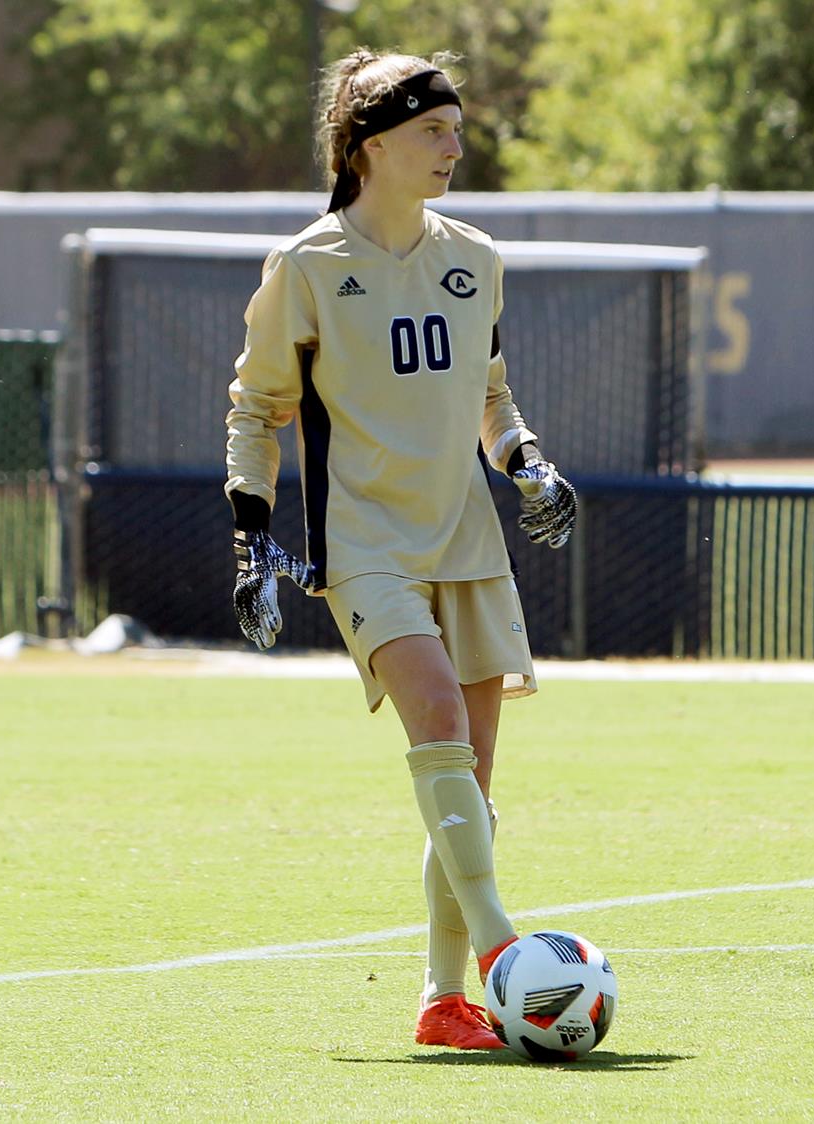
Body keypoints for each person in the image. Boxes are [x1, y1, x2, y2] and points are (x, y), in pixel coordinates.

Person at [223, 49, 578, 1051]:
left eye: (456, 129)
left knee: (470, 776)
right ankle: (508, 950)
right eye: (433, 129)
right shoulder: (305, 267)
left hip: (464, 534)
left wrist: (528, 465)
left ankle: (441, 995)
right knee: (433, 721)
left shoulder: (476, 255)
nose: (454, 146)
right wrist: (252, 545)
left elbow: (490, 395)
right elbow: (256, 410)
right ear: (370, 145)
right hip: (364, 540)